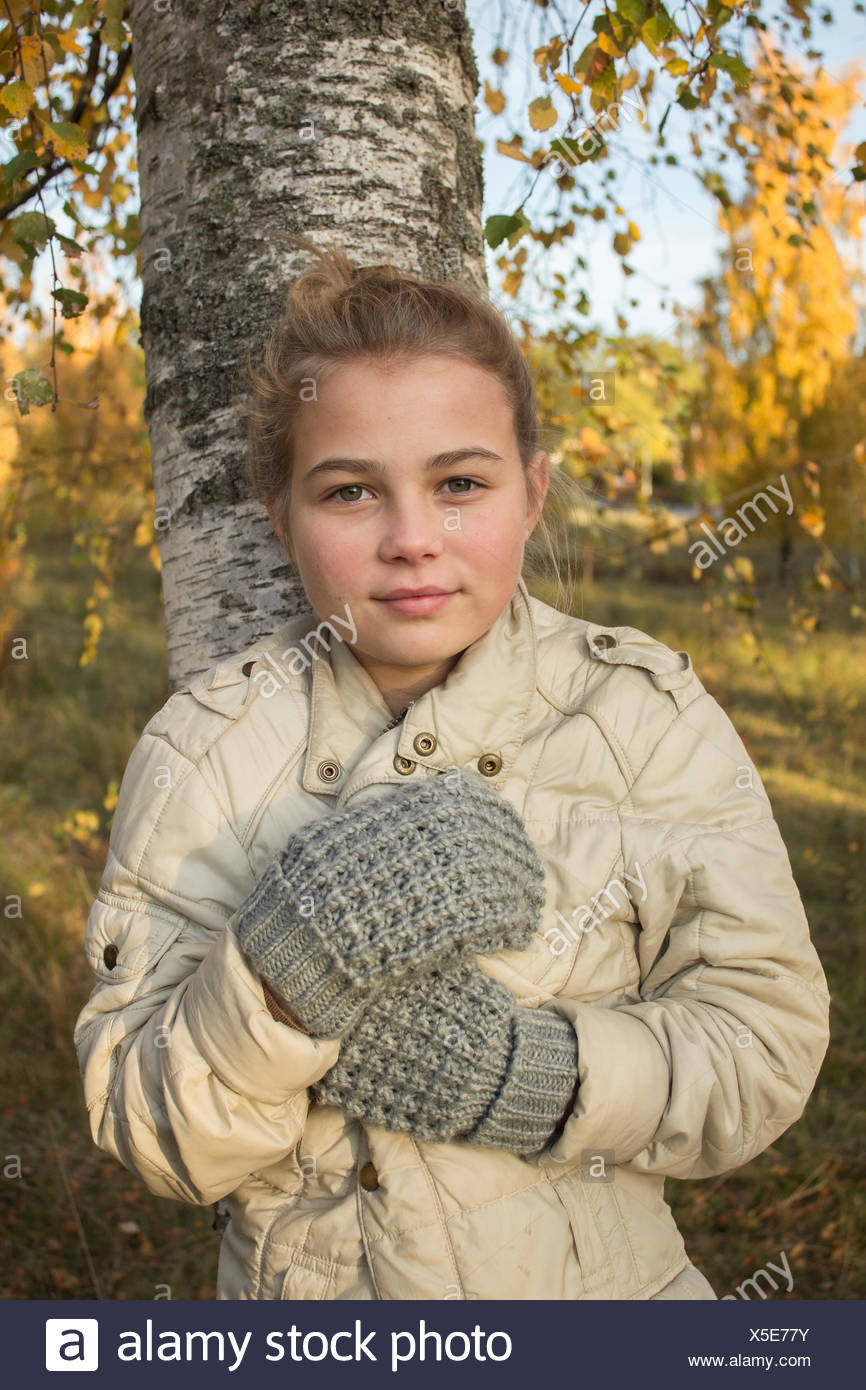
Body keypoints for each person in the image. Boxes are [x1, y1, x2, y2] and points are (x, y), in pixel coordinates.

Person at [73, 237, 831, 1301]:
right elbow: (150, 1130)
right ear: (278, 514)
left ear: (530, 493)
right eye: (348, 493)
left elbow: (765, 1040)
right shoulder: (206, 749)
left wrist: (542, 1080)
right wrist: (284, 981)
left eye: (459, 482)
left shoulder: (637, 716)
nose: (413, 537)